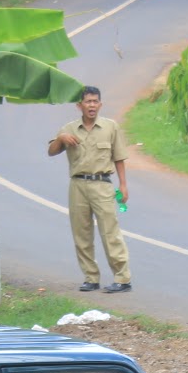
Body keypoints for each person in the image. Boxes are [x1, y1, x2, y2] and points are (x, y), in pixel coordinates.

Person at [49, 86, 132, 293]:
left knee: (110, 232)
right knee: (81, 233)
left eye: (95, 101)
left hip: (102, 184)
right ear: (80, 106)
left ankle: (122, 278)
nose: (92, 105)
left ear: (100, 104)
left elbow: (119, 157)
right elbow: (51, 151)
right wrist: (60, 139)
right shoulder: (69, 129)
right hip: (78, 185)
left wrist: (123, 185)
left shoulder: (110, 127)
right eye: (88, 102)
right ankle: (91, 277)